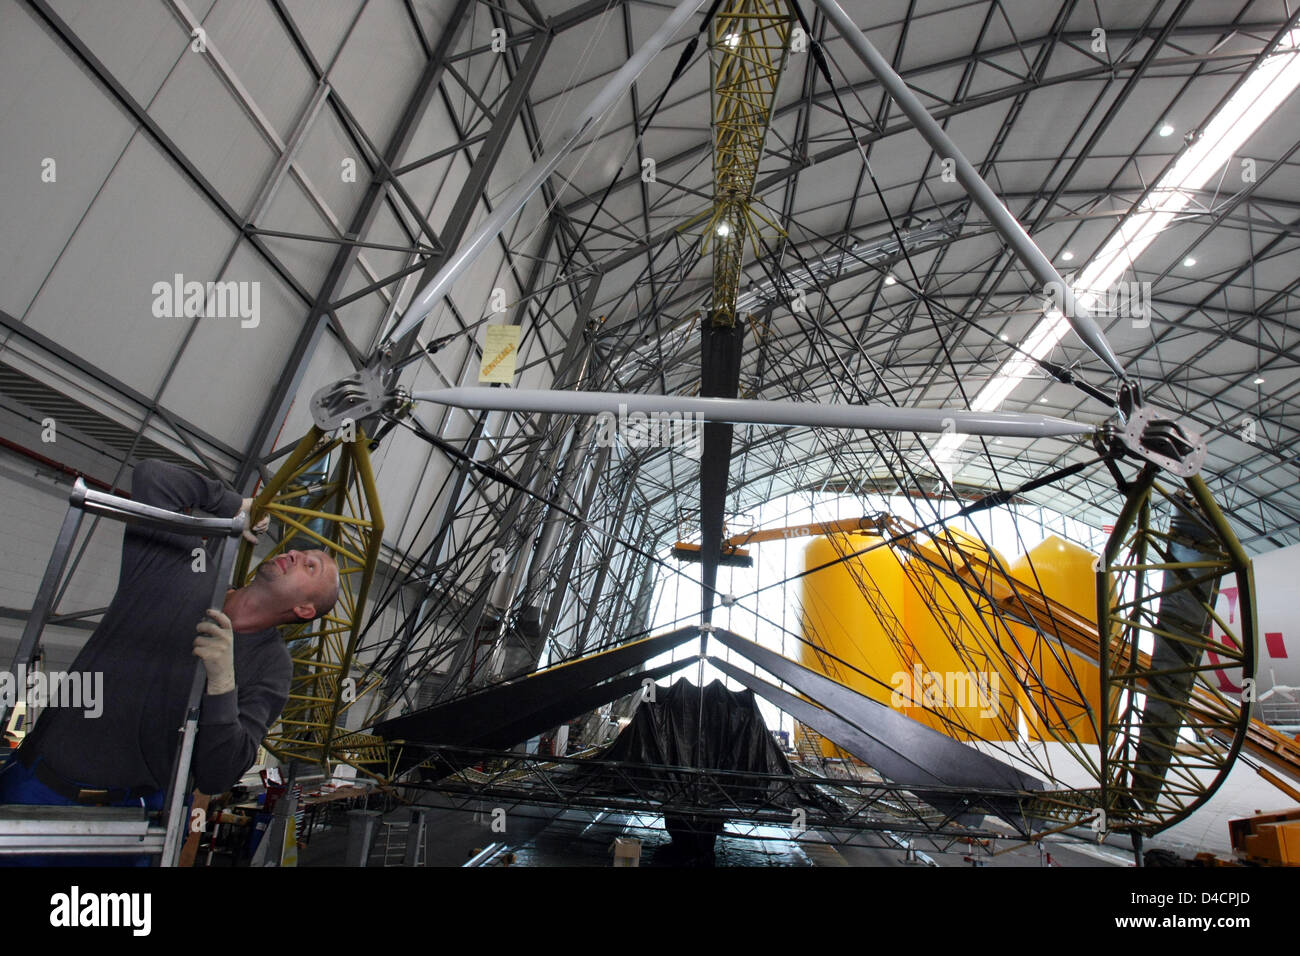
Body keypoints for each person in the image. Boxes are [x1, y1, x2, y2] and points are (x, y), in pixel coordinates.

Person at [0, 458, 339, 863]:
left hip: (130, 824)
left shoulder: (272, 667)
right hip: (34, 790)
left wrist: (222, 685)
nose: (295, 553)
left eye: (310, 565)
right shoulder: (183, 570)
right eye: (300, 550)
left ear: (304, 610)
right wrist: (232, 505)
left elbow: (218, 773)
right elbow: (153, 478)